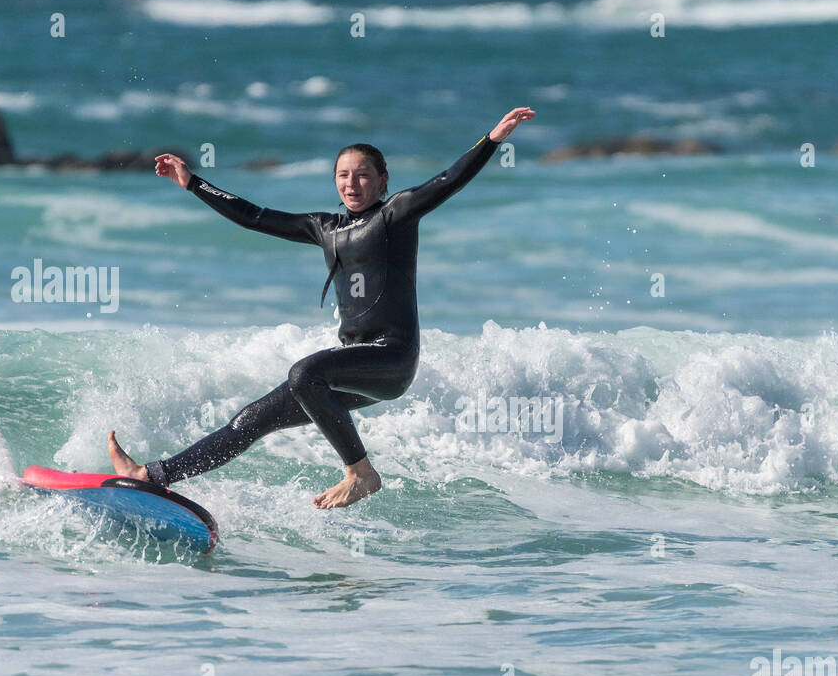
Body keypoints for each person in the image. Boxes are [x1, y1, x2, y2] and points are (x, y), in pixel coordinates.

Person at [109, 106, 536, 508]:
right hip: (352, 365)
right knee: (252, 418)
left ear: (383, 181)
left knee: (303, 374)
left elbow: (447, 180)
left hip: (393, 357)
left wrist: (493, 139)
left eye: (363, 176)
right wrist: (192, 182)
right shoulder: (324, 228)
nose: (352, 184)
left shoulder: (396, 216)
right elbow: (255, 215)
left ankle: (361, 473)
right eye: (344, 176)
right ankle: (153, 474)